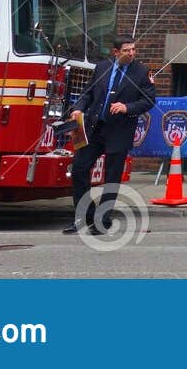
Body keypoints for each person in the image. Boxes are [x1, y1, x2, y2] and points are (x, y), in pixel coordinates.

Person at [66, 35, 155, 235]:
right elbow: (88, 92)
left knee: (111, 176)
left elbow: (149, 100)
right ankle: (83, 217)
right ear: (116, 52)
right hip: (95, 128)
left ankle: (102, 220)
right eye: (126, 50)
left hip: (120, 130)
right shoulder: (102, 67)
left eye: (133, 49)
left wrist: (127, 107)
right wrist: (79, 108)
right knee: (79, 169)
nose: (131, 53)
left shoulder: (141, 72)